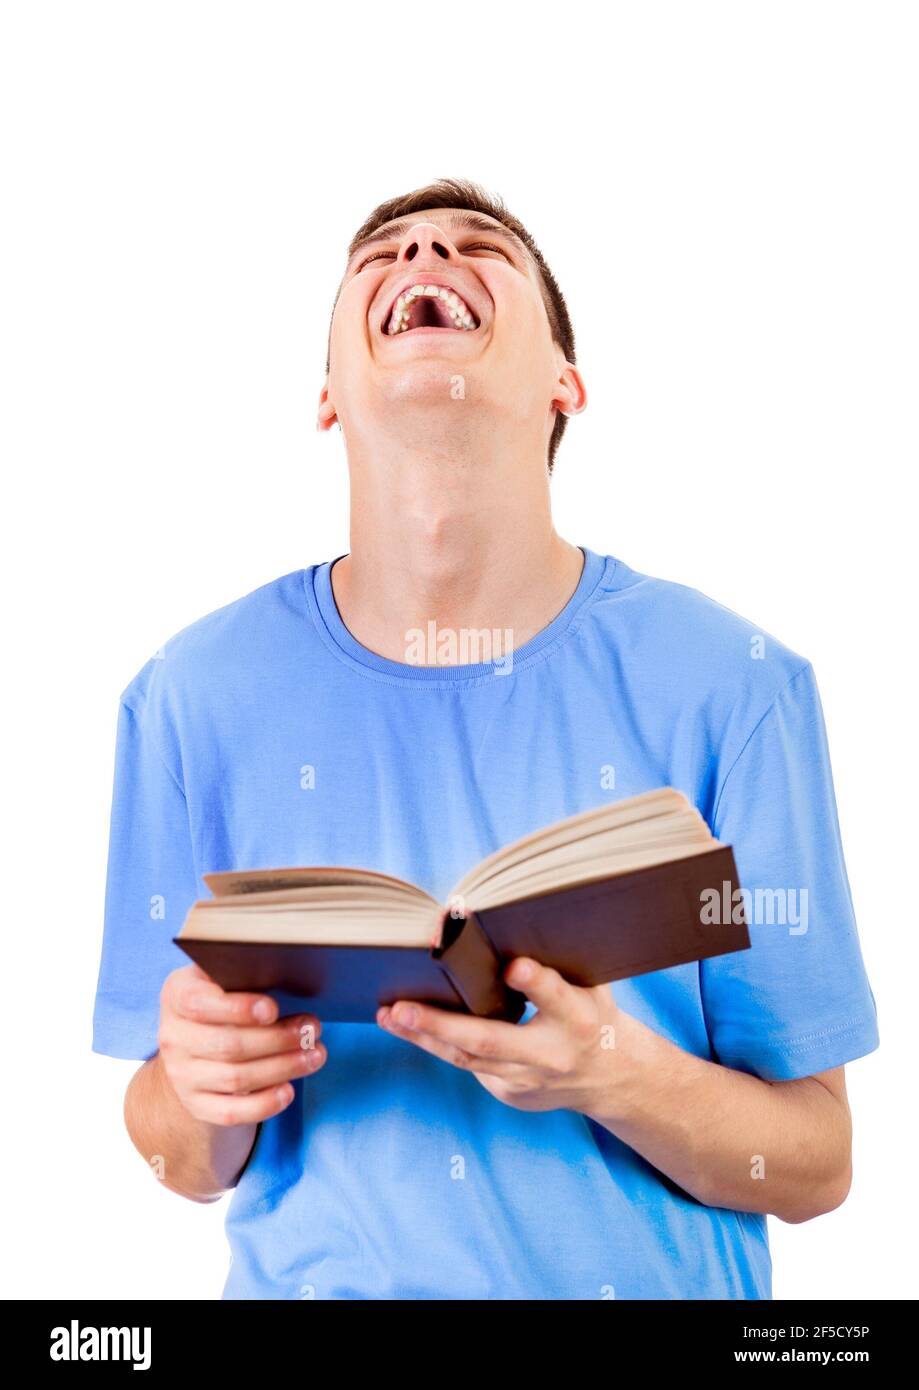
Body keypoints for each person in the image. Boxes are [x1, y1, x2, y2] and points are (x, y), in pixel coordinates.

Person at [92, 178, 879, 1300]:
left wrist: (615, 1072)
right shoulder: (187, 696)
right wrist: (196, 1088)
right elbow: (178, 1159)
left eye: (481, 246)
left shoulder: (738, 687)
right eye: (384, 250)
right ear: (326, 394)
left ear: (565, 382)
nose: (423, 249)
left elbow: (815, 1166)